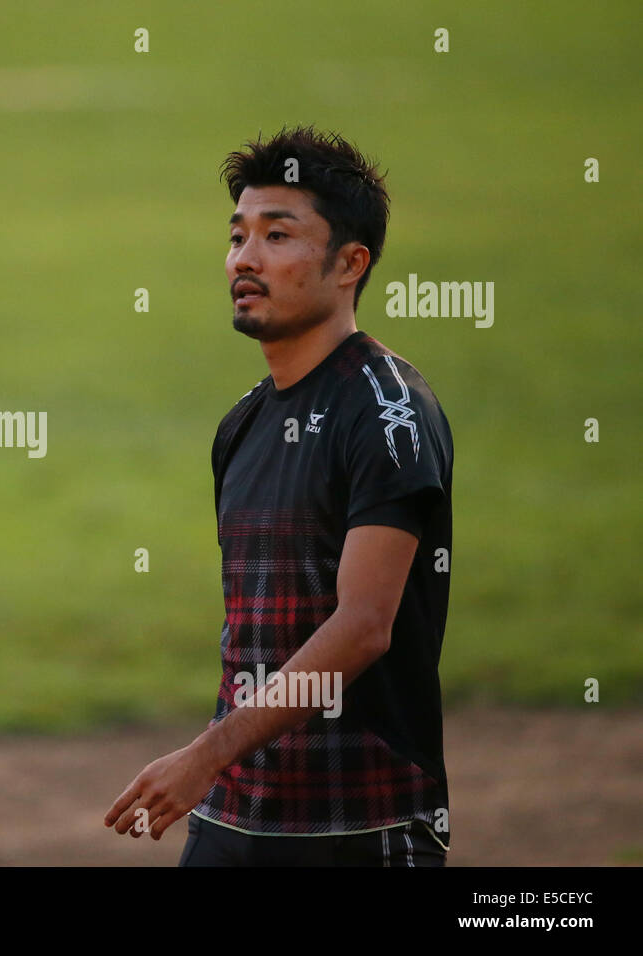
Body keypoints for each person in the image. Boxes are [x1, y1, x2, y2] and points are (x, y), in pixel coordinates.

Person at [103, 126, 453, 866]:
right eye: (238, 237)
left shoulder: (388, 414)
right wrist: (220, 764)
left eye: (277, 235)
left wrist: (205, 755)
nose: (245, 258)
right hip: (236, 817)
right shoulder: (243, 423)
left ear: (349, 263)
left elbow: (363, 627)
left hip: (358, 822)